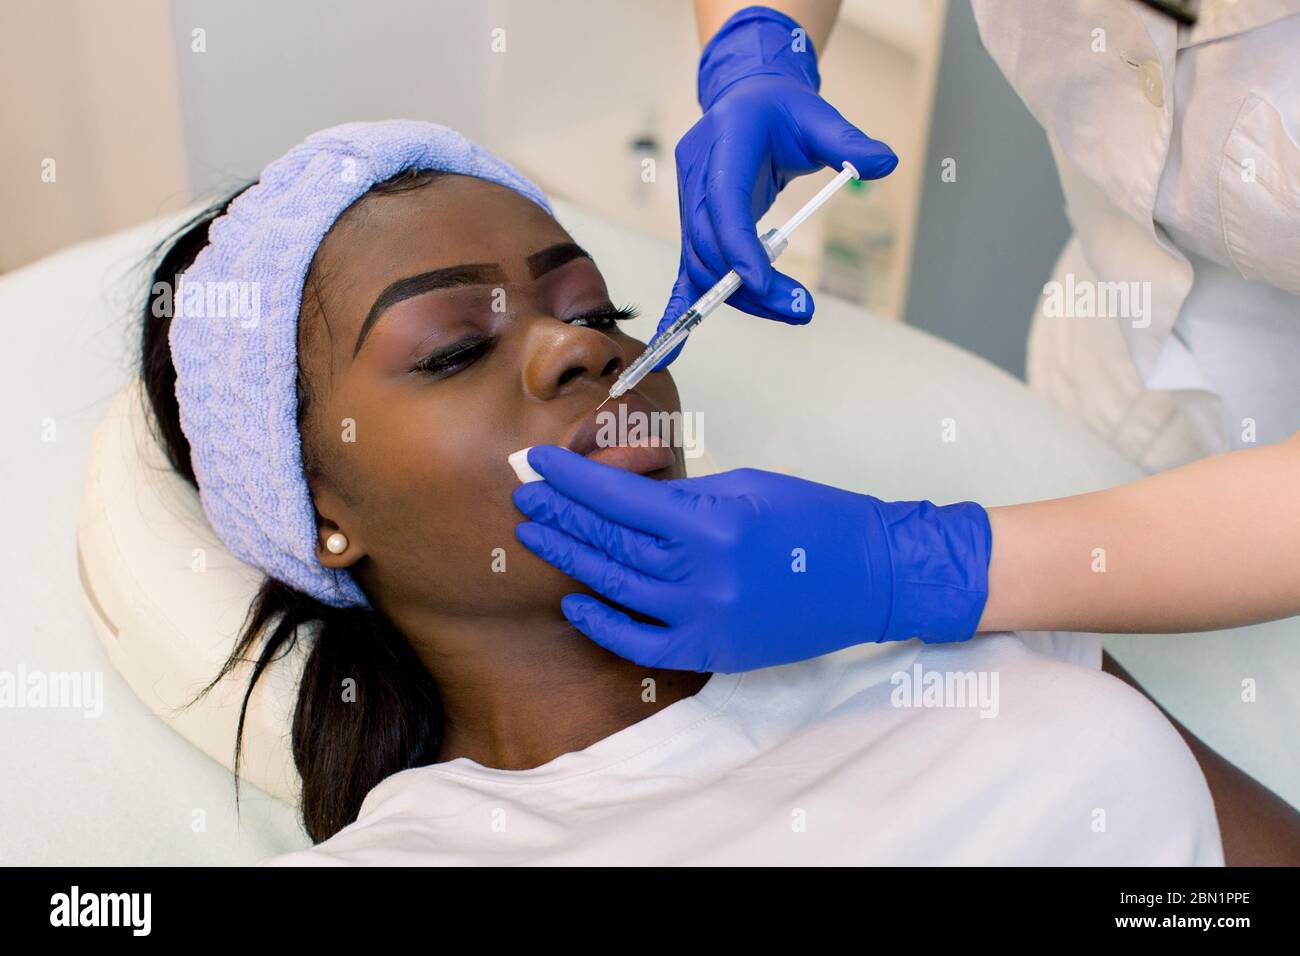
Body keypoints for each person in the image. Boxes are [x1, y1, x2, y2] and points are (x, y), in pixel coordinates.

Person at [146, 119, 1226, 865]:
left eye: (597, 305)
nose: (580, 345)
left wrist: (924, 574)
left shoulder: (979, 648)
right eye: (452, 349)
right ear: (319, 510)